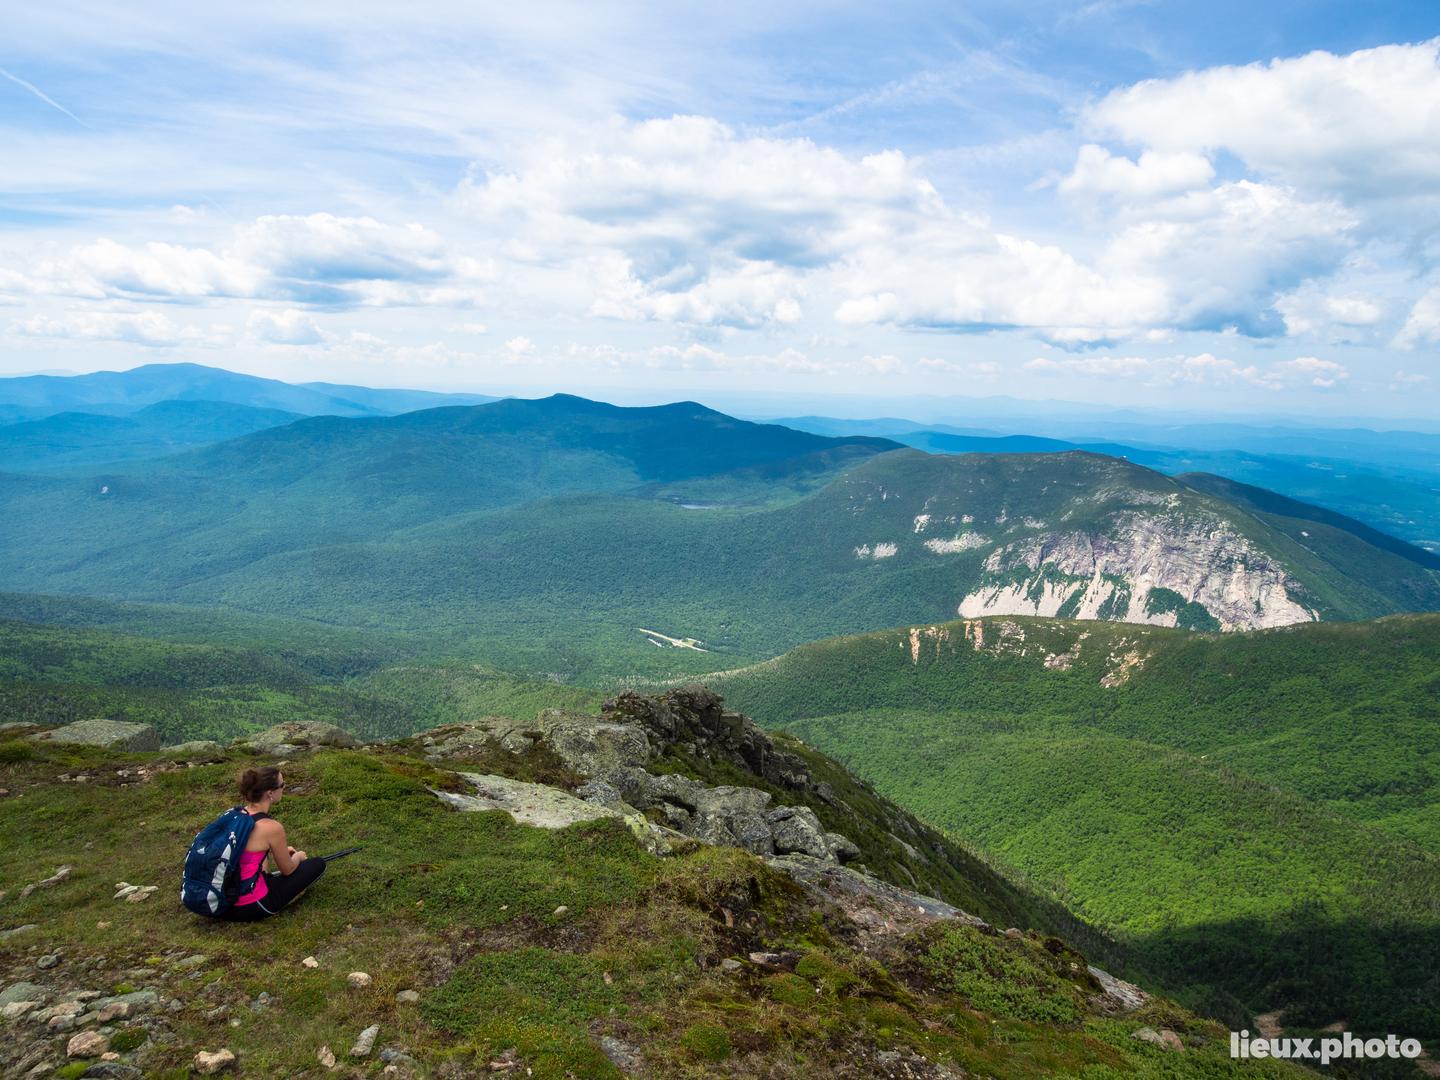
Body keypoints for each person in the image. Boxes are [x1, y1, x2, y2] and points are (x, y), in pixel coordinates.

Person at [222, 765, 325, 921]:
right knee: (318, 864)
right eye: (282, 785)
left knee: (263, 870)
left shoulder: (234, 814)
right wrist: (298, 856)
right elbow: (288, 870)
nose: (284, 788)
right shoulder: (271, 827)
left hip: (225, 903)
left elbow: (246, 854)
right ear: (270, 793)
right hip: (252, 906)